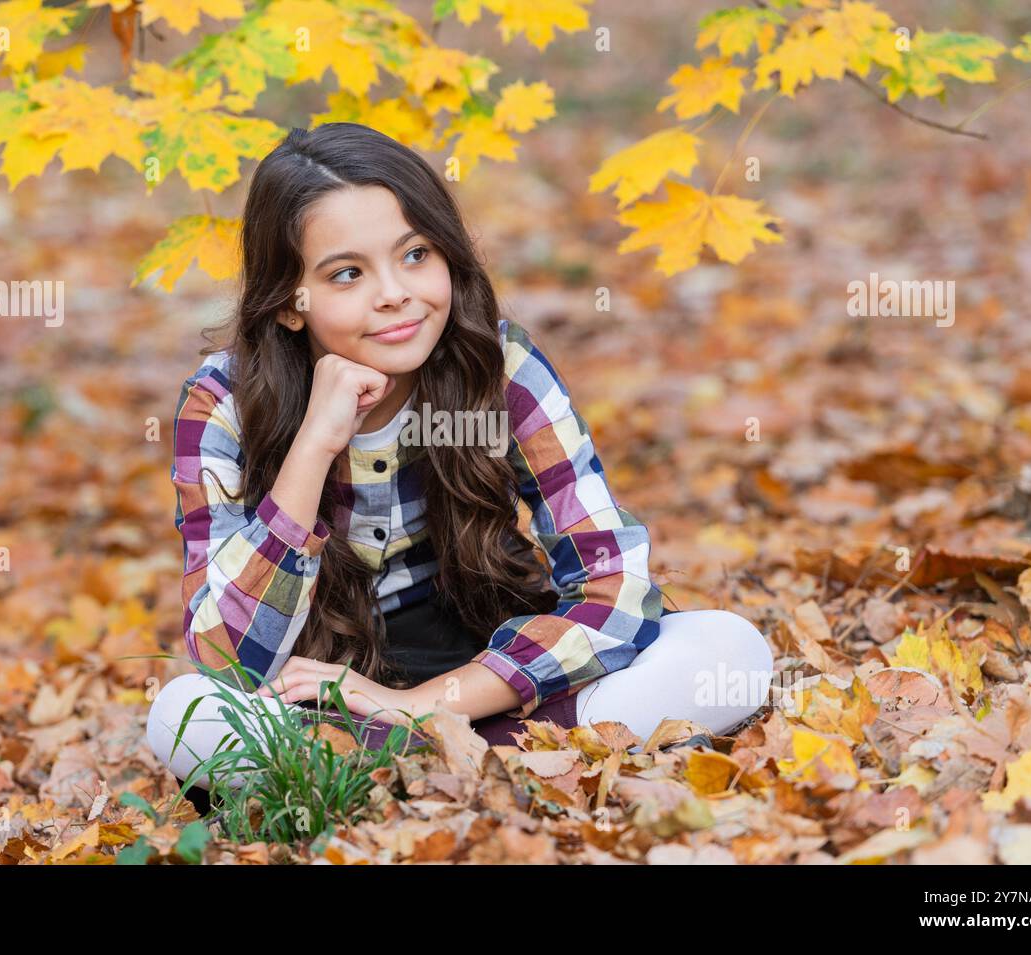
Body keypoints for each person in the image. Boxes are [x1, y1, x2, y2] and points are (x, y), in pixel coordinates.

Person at [145, 122, 773, 805]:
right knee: (183, 713)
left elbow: (615, 587)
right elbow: (227, 661)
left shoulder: (498, 368)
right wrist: (313, 446)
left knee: (729, 650)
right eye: (348, 273)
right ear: (290, 304)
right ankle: (486, 766)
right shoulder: (225, 403)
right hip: (321, 699)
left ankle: (400, 769)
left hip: (490, 676)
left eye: (415, 254)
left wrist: (420, 704)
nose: (395, 293)